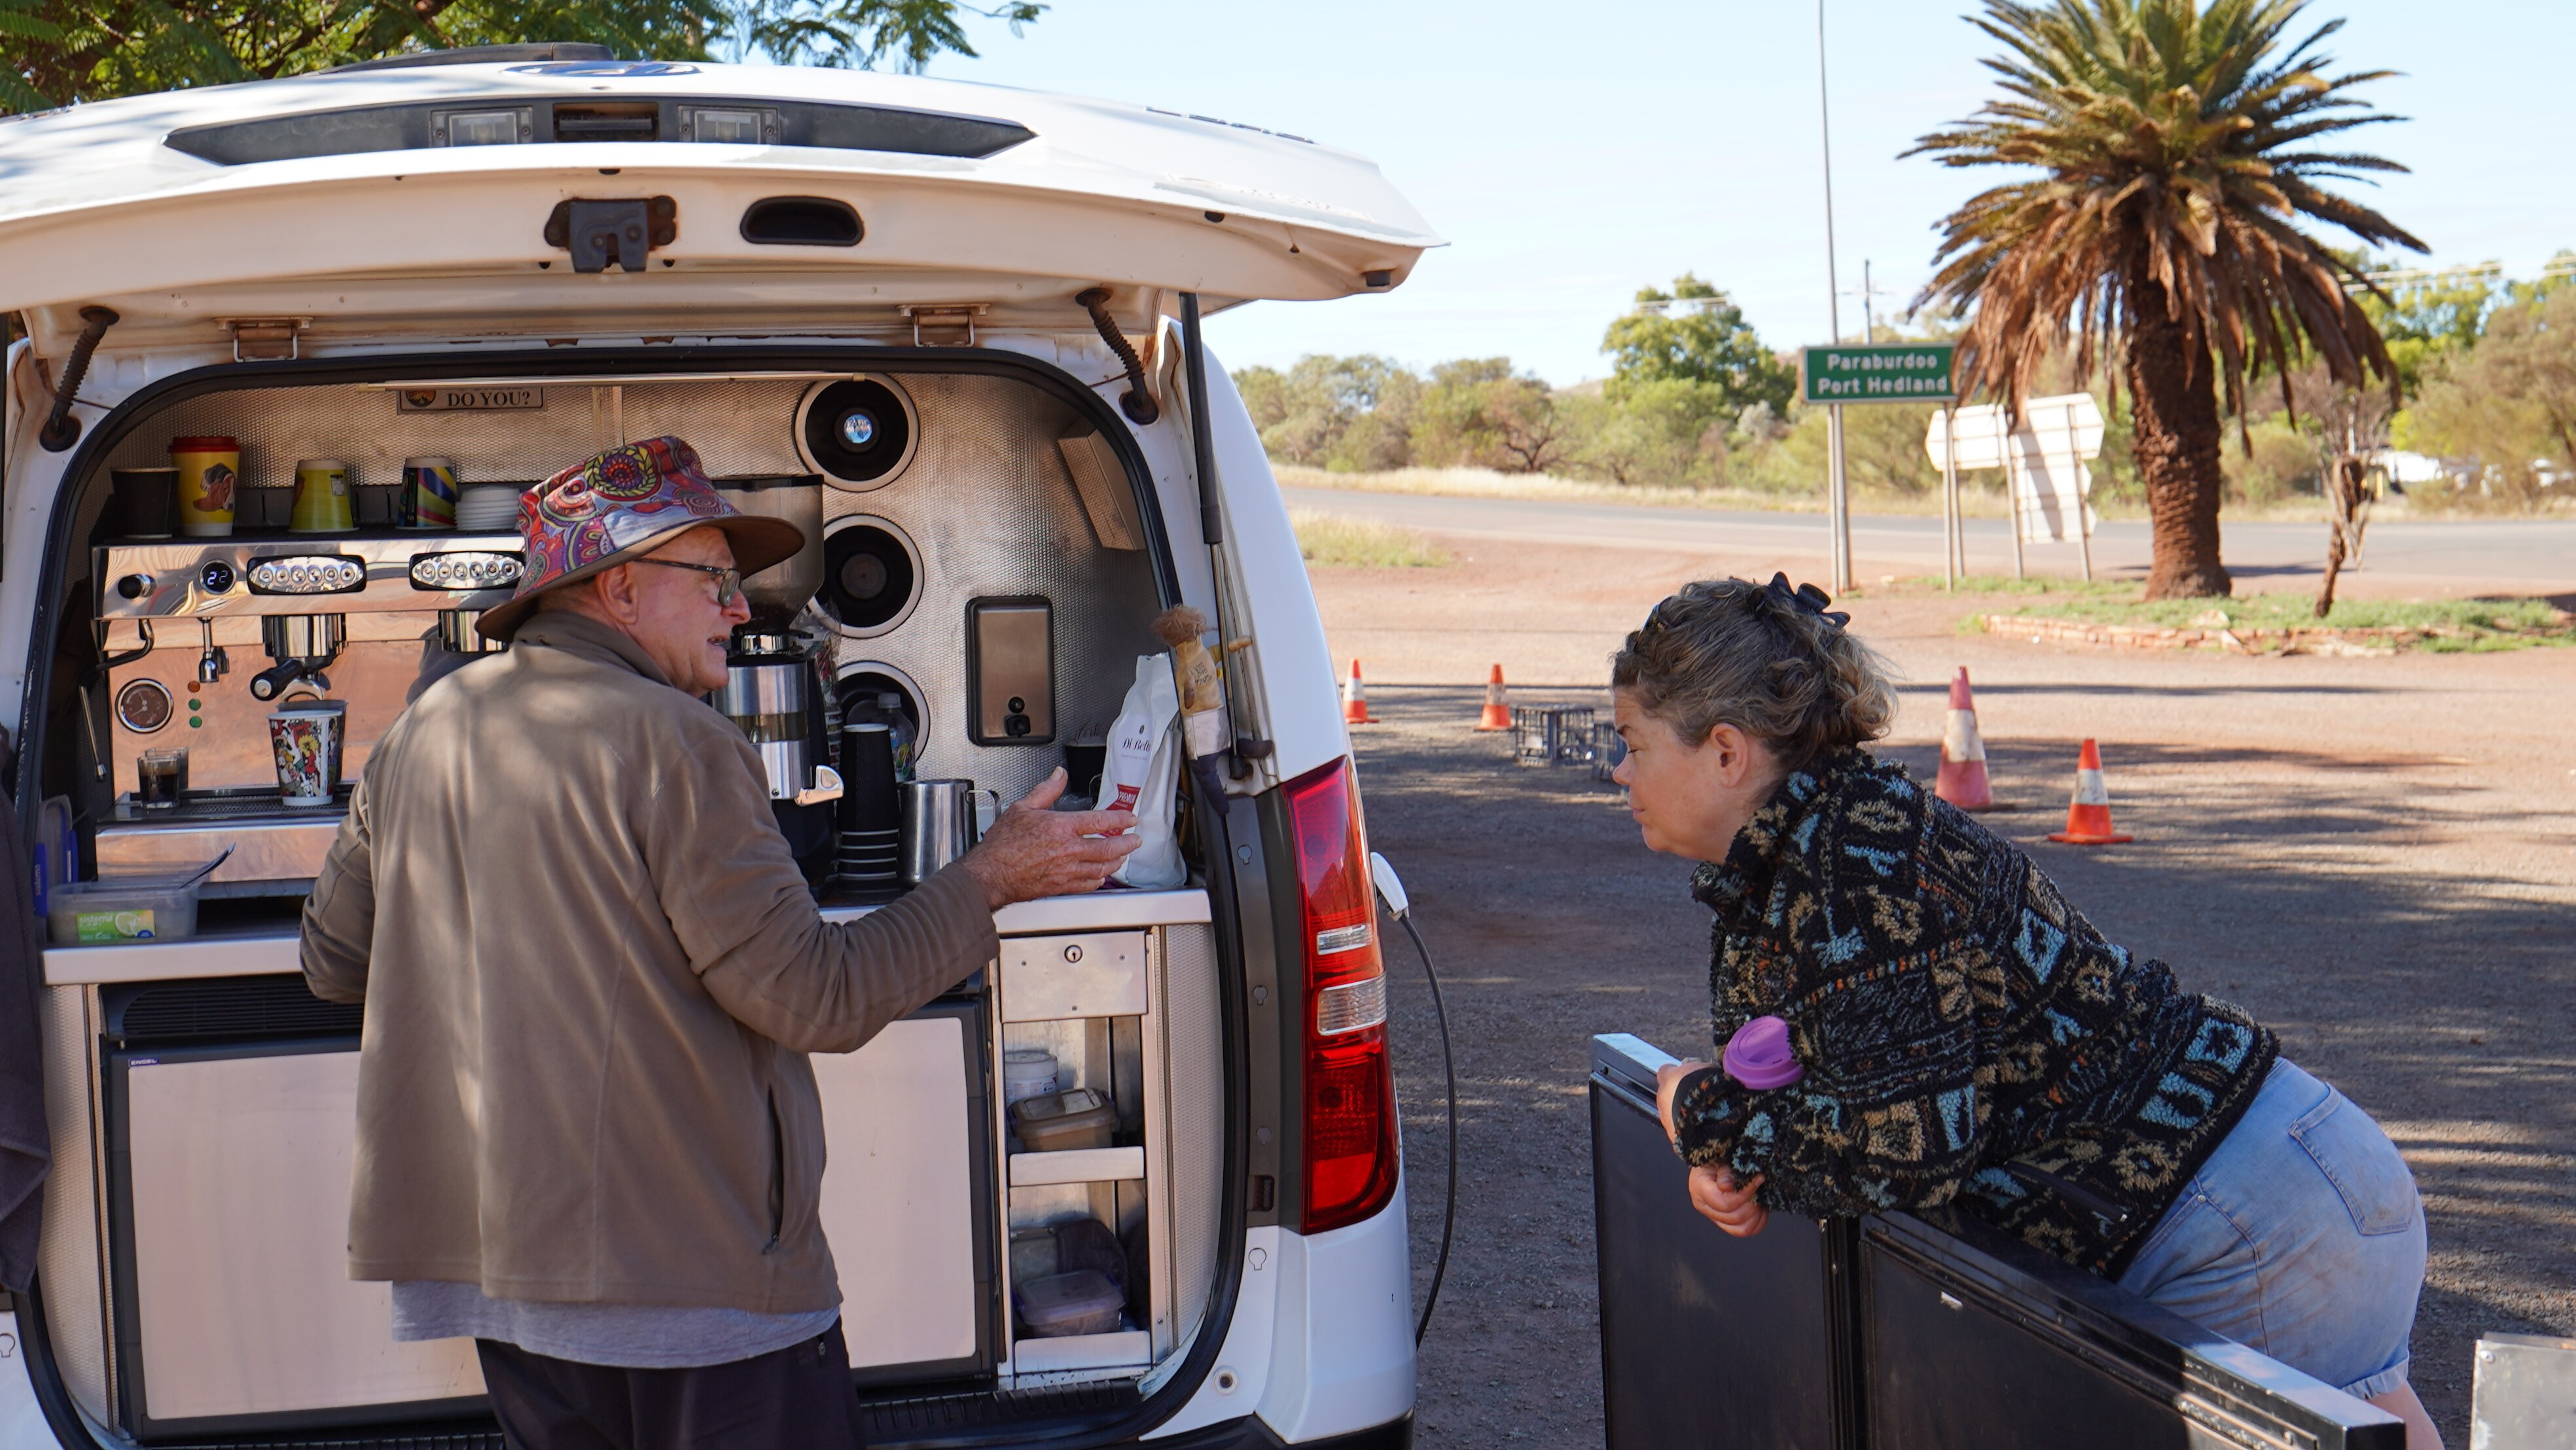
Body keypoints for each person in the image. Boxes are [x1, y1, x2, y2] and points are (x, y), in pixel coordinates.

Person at [300, 436, 1141, 1450]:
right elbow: (818, 998)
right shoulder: (682, 742)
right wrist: (991, 877)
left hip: (503, 1291)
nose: (740, 611)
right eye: (713, 580)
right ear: (618, 588)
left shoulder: (419, 732)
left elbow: (333, 964)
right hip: (696, 1293)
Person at [1615, 574, 2441, 1449]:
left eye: (1633, 743)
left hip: (2241, 1228)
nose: (1620, 771)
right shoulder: (1842, 833)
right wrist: (1740, 1149)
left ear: (1727, 752)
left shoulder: (1849, 868)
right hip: (2299, 1176)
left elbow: (1902, 1152)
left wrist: (1698, 1114)